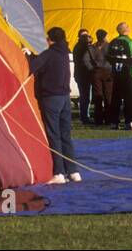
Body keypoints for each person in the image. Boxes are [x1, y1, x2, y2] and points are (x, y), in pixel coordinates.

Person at [26, 27, 82, 183]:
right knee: (66, 135)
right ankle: (73, 171)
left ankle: (58, 172)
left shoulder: (49, 54)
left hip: (51, 98)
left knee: (54, 135)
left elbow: (32, 66)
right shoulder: (64, 53)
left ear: (50, 39)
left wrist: (27, 55)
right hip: (65, 98)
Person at [106, 22, 132, 130]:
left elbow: (109, 58)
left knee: (115, 99)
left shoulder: (113, 42)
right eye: (128, 26)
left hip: (116, 74)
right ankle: (129, 122)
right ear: (126, 30)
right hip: (128, 74)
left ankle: (114, 122)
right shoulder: (130, 42)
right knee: (129, 99)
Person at [88, 29, 112, 125]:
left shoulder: (92, 47)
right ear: (104, 36)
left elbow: (87, 60)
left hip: (96, 72)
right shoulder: (109, 46)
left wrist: (92, 69)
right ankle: (108, 118)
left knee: (98, 95)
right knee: (108, 95)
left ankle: (98, 119)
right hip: (107, 72)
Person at [72, 29, 94, 126]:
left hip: (82, 75)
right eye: (84, 36)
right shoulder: (81, 47)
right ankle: (85, 117)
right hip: (83, 75)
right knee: (85, 96)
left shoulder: (80, 46)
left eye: (87, 35)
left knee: (85, 96)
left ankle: (84, 116)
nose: (86, 38)